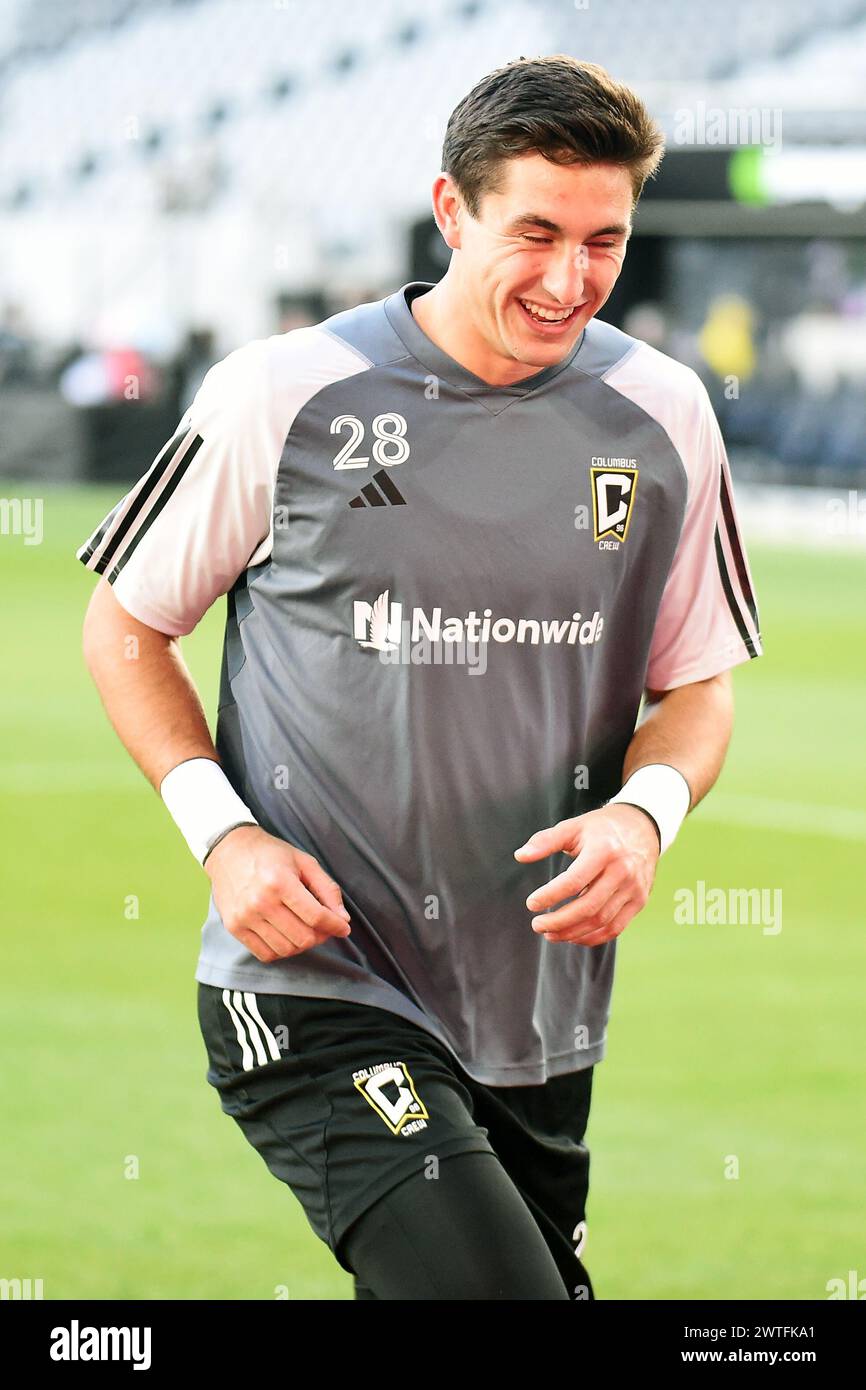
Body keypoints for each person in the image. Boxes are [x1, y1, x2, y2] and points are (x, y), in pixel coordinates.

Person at [76, 55, 762, 1300]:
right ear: (450, 212)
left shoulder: (662, 414)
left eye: (603, 241)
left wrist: (640, 815)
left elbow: (698, 684)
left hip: (538, 1009)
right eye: (535, 233)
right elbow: (125, 627)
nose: (568, 281)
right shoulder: (281, 393)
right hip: (315, 987)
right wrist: (223, 838)